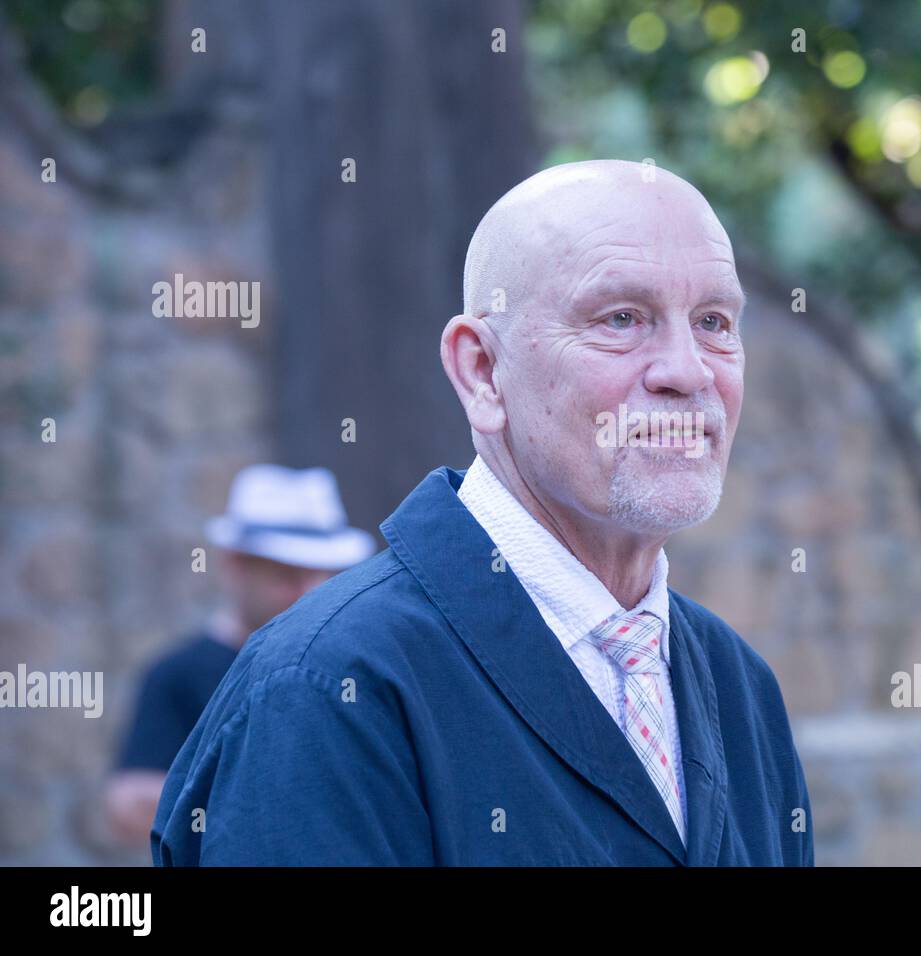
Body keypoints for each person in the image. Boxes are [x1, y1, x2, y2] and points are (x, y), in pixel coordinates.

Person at [152, 159, 815, 866]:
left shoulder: (737, 686)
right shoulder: (328, 689)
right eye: (622, 319)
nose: (687, 371)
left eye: (714, 322)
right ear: (481, 371)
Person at [104, 464, 374, 847]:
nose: (308, 592)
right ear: (235, 565)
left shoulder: (350, 668)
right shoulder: (177, 673)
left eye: (321, 575)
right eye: (287, 576)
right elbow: (127, 803)